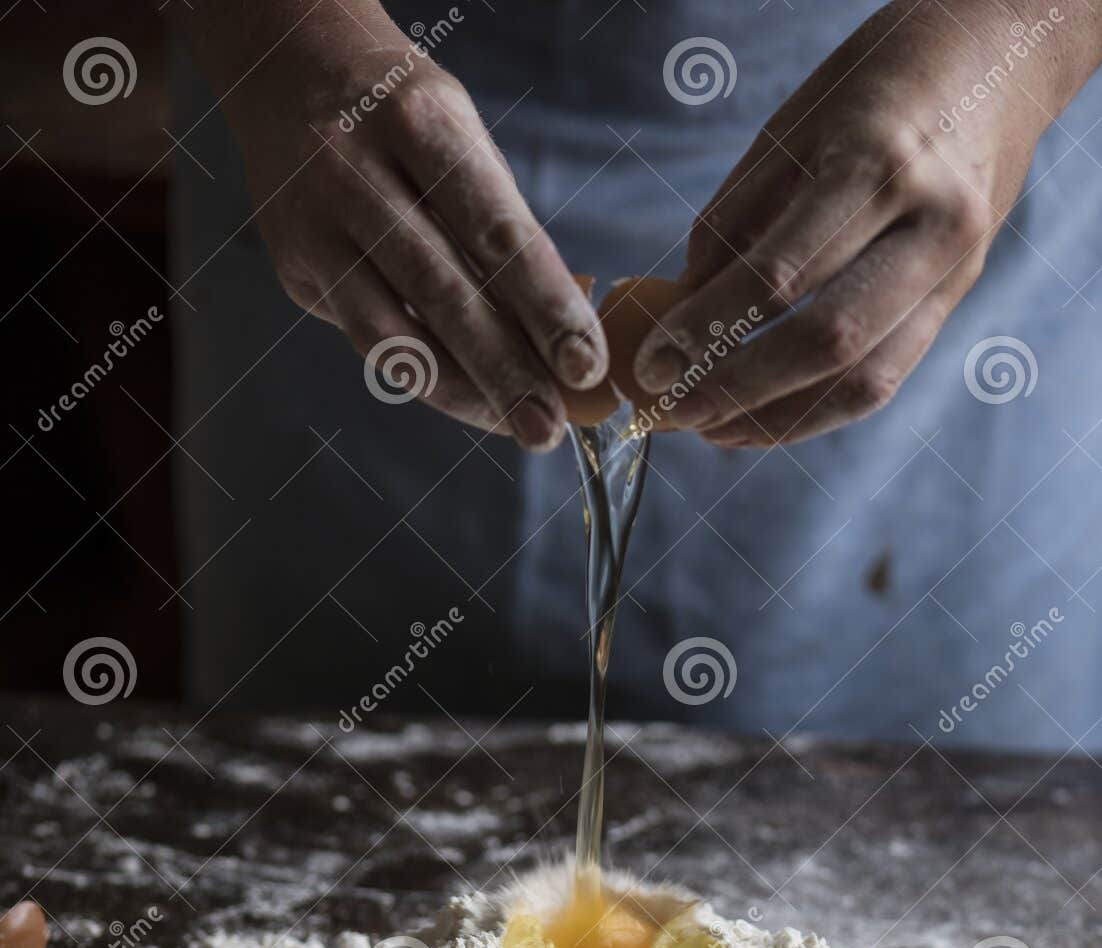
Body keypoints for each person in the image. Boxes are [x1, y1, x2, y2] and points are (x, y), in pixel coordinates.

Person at [174, 1, 1102, 750]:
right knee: (329, 839)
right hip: (336, 140)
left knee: (924, 857)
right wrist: (276, 34)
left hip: (932, 145)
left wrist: (1020, 38)